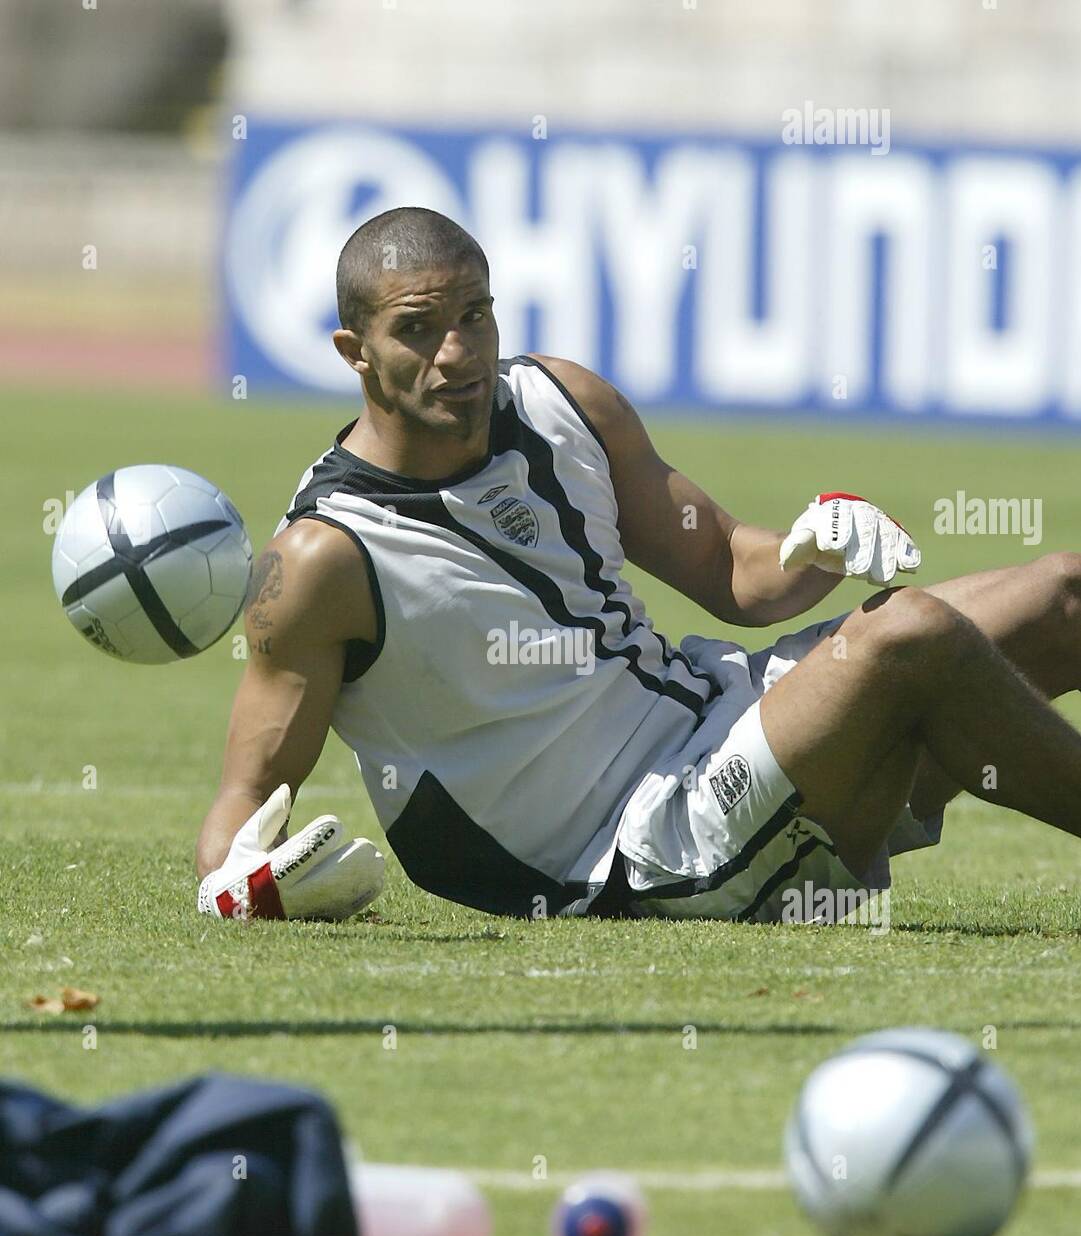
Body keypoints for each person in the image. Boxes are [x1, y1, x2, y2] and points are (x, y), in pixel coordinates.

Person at [197, 206, 1081, 925]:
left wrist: (815, 542)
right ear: (354, 352)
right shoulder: (321, 556)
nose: (457, 353)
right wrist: (235, 884)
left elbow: (731, 569)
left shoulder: (561, 400)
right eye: (417, 331)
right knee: (912, 633)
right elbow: (248, 794)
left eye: (473, 315)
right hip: (643, 843)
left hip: (729, 715)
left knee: (1064, 591)